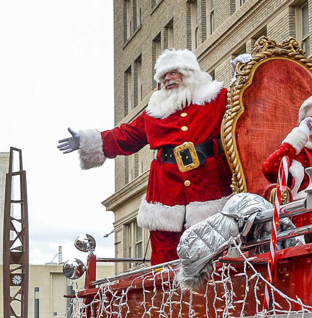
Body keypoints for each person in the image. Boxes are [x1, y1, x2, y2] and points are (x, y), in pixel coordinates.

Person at [59, 48, 237, 264]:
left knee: (216, 257)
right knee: (166, 262)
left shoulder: (216, 99)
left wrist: (244, 74)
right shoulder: (155, 112)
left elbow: (247, 106)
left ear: (190, 73)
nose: (167, 79)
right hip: (165, 193)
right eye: (162, 76)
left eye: (173, 72)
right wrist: (88, 140)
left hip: (210, 188)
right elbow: (127, 134)